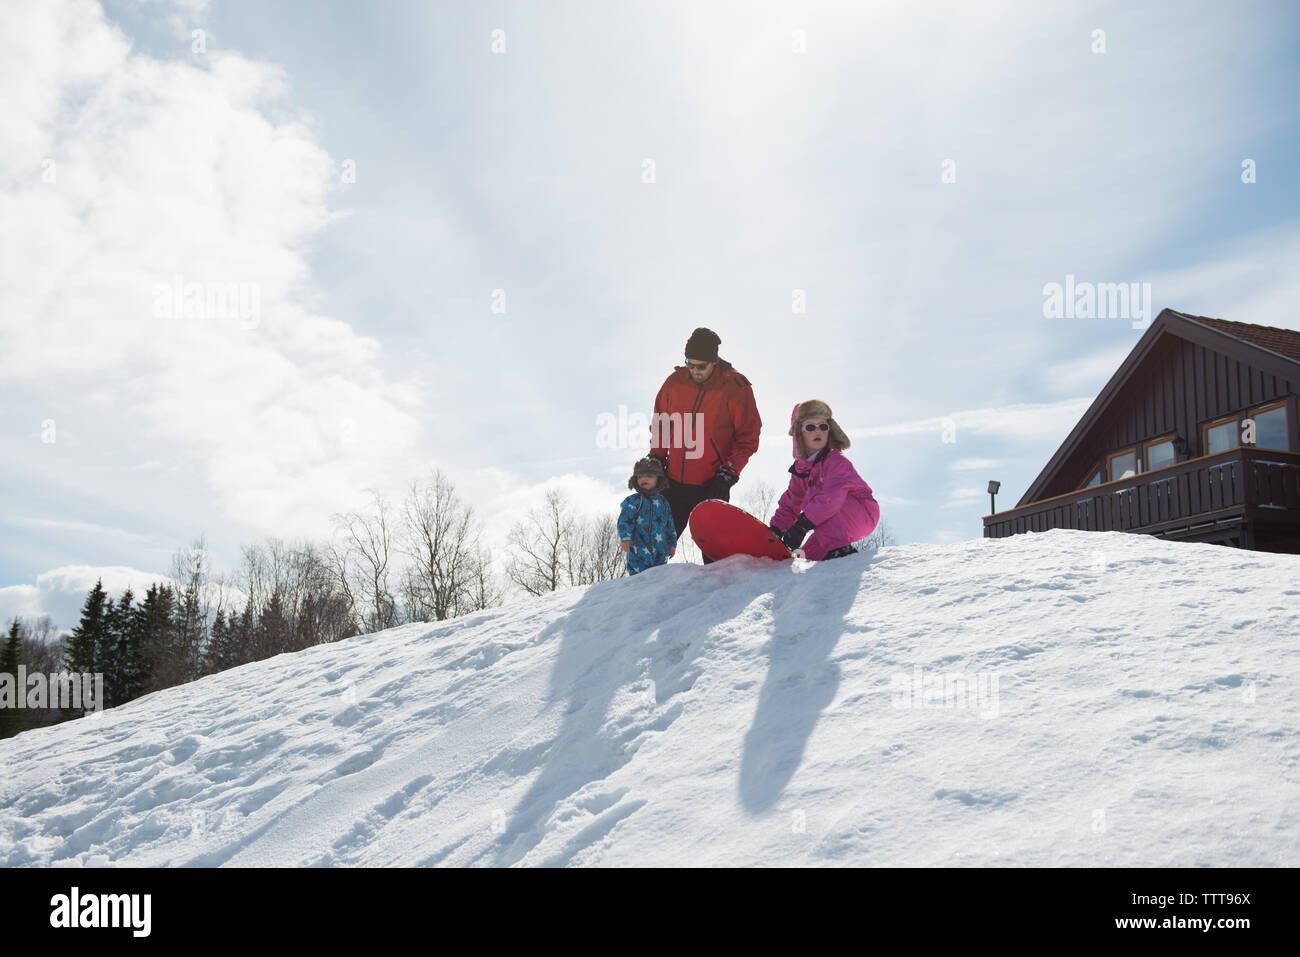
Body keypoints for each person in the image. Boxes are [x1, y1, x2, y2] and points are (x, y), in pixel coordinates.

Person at [647, 328, 762, 545]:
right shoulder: (674, 382)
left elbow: (748, 436)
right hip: (672, 483)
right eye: (690, 364)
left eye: (701, 366)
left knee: (714, 557)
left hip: (711, 485)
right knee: (653, 549)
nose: (694, 370)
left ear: (714, 361)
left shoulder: (735, 386)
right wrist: (657, 457)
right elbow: (661, 423)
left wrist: (729, 471)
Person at [769, 399, 880, 561]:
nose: (818, 431)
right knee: (806, 556)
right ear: (799, 433)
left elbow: (831, 498)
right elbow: (790, 504)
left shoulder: (835, 461)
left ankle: (840, 549)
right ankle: (827, 552)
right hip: (833, 522)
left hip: (862, 512)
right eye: (810, 427)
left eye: (823, 426)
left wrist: (801, 525)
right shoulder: (800, 472)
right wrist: (776, 531)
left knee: (815, 496)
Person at [618, 456, 678, 575]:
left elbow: (669, 524)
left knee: (658, 577)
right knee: (640, 579)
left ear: (658, 479)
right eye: (640, 476)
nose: (644, 479)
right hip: (638, 549)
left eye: (649, 476)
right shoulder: (634, 501)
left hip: (660, 550)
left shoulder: (663, 502)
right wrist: (625, 537)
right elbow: (625, 520)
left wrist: (672, 543)